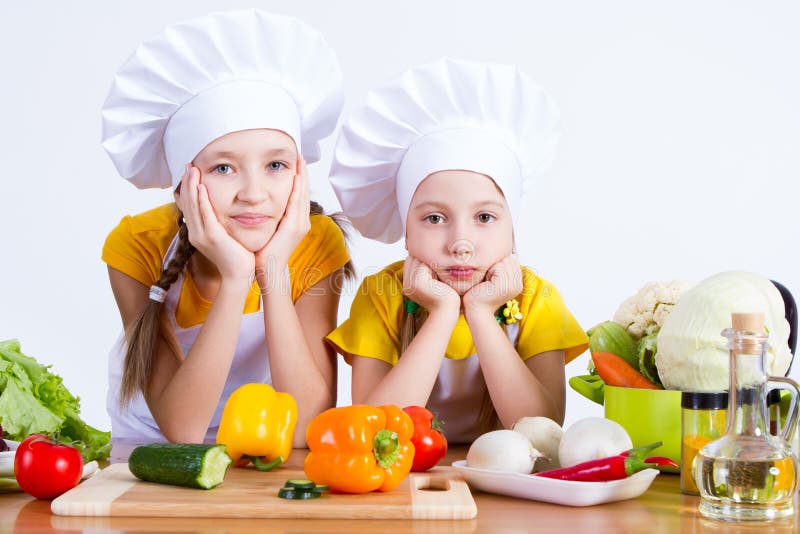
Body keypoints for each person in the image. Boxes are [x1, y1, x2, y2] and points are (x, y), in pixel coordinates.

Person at [101, 10, 352, 445]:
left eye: (276, 165)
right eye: (223, 168)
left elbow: (306, 426)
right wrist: (237, 277)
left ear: (300, 173)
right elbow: (183, 430)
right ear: (181, 185)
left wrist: (272, 270)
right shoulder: (136, 247)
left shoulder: (315, 243)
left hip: (263, 447)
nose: (253, 194)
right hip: (151, 453)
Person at [327, 59, 588, 443]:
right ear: (406, 233)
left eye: (484, 217)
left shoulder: (537, 299)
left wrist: (480, 313)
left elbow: (541, 433)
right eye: (434, 219)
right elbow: (376, 430)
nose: (460, 243)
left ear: (512, 230)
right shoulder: (381, 296)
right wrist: (442, 313)